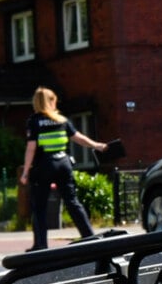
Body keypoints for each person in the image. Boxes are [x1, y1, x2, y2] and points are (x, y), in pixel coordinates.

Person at [19, 86, 108, 250]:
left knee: (39, 206)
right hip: (64, 164)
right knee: (72, 201)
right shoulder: (62, 120)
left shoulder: (34, 121)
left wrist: (25, 172)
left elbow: (31, 148)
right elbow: (78, 138)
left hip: (44, 165)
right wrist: (97, 145)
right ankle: (90, 236)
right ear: (50, 101)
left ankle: (40, 245)